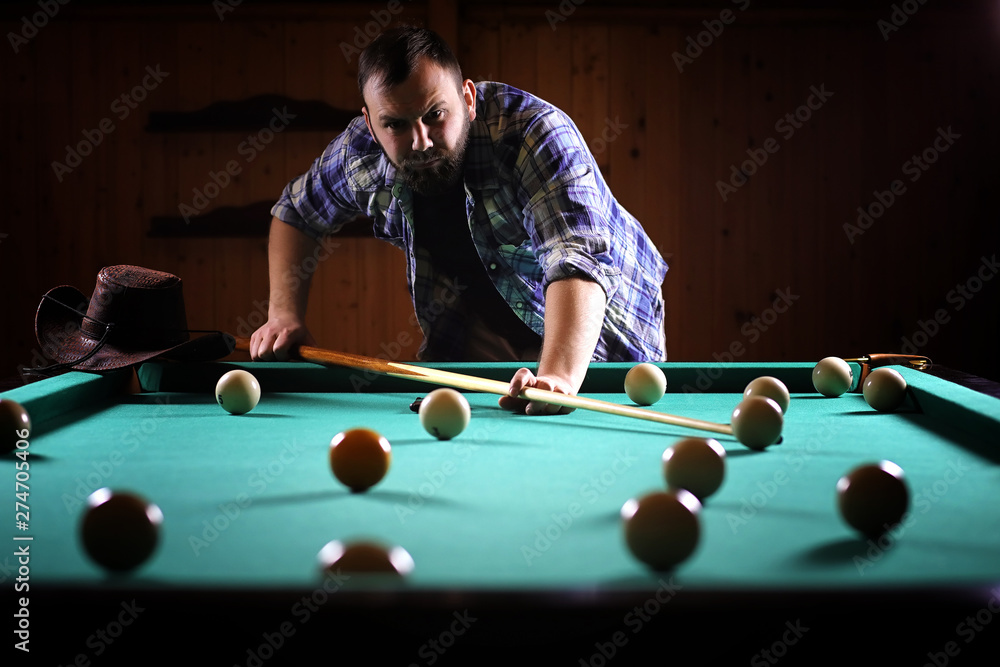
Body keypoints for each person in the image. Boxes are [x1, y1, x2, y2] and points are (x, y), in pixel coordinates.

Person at [250, 25, 668, 415]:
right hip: (484, 335)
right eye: (395, 124)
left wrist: (558, 377)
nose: (421, 142)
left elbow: (576, 259)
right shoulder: (360, 153)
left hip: (601, 335)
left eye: (434, 114)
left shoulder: (533, 132)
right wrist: (284, 314)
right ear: (370, 124)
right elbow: (296, 212)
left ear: (467, 99)